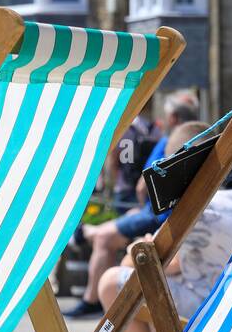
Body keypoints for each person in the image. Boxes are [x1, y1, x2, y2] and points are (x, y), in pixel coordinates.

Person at [96, 122, 232, 332]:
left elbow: (141, 264)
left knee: (112, 282)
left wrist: (138, 247)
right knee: (160, 279)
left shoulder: (191, 210)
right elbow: (180, 261)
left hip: (207, 310)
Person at [65, 91, 200, 317]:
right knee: (111, 230)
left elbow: (142, 185)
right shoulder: (193, 136)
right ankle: (85, 233)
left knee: (103, 238)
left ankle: (92, 299)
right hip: (173, 212)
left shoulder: (168, 140)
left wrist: (143, 205)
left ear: (174, 118)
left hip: (156, 213)